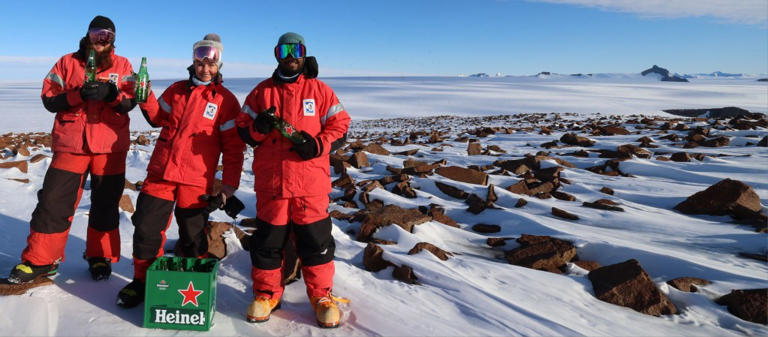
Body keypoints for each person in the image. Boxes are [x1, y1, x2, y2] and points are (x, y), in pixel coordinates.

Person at [115, 34, 245, 308]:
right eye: (201, 62)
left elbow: (233, 148)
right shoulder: (176, 90)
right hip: (161, 173)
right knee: (147, 229)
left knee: (193, 236)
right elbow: (157, 117)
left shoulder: (226, 101)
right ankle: (142, 281)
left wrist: (228, 188)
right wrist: (145, 93)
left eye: (212, 63)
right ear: (194, 61)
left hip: (196, 181)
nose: (205, 68)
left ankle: (192, 286)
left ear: (219, 64)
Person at [7, 15, 136, 284]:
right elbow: (49, 98)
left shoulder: (123, 65)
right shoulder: (67, 62)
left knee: (106, 204)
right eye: (97, 33)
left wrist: (112, 96)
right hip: (71, 144)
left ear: (113, 39)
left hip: (109, 147)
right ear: (88, 34)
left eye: (107, 36)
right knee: (54, 202)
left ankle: (99, 256)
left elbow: (131, 100)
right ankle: (40, 261)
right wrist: (78, 95)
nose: (101, 40)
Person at [236, 32, 350, 328]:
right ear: (276, 54)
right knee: (267, 243)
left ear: (304, 53)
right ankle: (266, 294)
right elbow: (243, 130)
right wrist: (259, 127)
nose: (290, 55)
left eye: (295, 49)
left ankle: (321, 296)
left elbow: (341, 127)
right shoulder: (261, 92)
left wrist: (317, 145)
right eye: (283, 50)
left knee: (317, 242)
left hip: (310, 185)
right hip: (273, 184)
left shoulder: (320, 91)